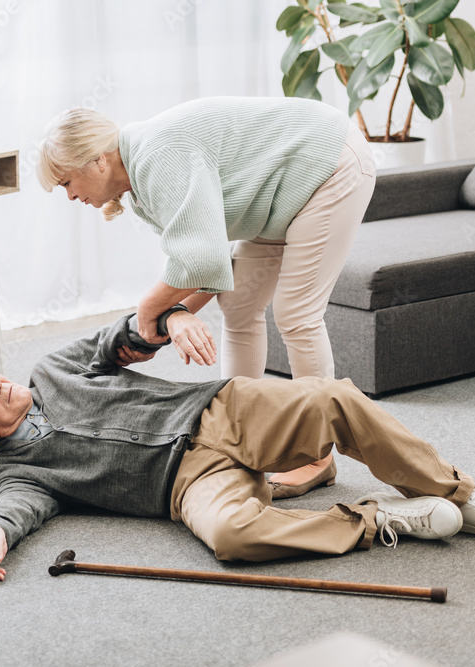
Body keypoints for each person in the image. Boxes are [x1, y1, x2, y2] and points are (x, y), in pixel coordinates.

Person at [0, 314, 475, 581]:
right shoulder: (20, 472)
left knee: (333, 398)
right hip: (187, 487)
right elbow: (15, 510)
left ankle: (461, 495)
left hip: (218, 411)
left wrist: (168, 323)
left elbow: (118, 337)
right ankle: (378, 518)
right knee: (231, 537)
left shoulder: (52, 369)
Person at [36, 96, 377, 498]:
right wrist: (168, 318)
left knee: (296, 313)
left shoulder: (156, 156)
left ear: (97, 161)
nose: (71, 196)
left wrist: (150, 309)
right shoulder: (142, 188)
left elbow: (201, 259)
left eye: (66, 183)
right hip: (277, 196)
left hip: (328, 165)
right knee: (240, 306)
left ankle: (317, 455)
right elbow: (208, 270)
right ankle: (244, 436)